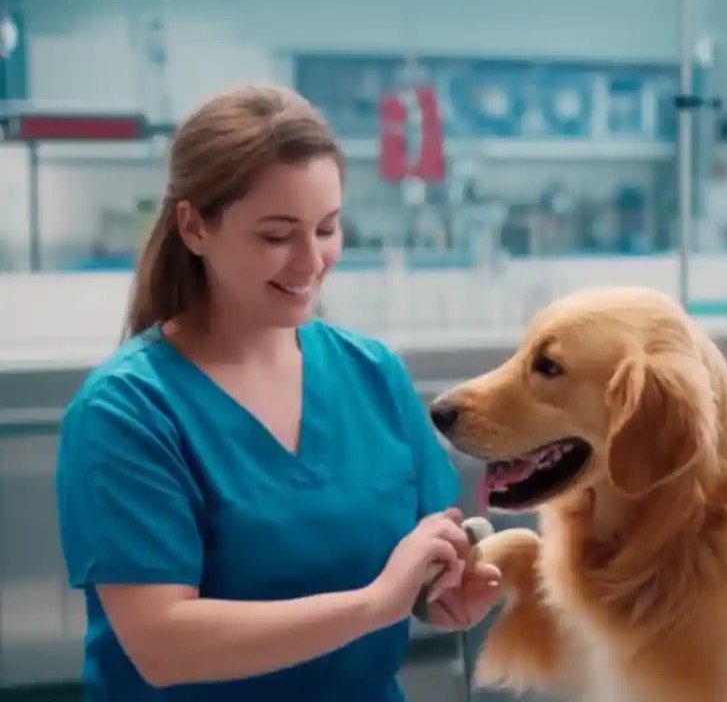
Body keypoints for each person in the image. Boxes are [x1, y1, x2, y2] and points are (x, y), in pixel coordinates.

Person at [54, 83, 502, 702]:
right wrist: (375, 604)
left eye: (327, 228)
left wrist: (438, 593)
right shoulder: (128, 412)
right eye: (276, 235)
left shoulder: (373, 375)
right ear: (194, 227)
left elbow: (415, 567)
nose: (310, 261)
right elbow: (161, 642)